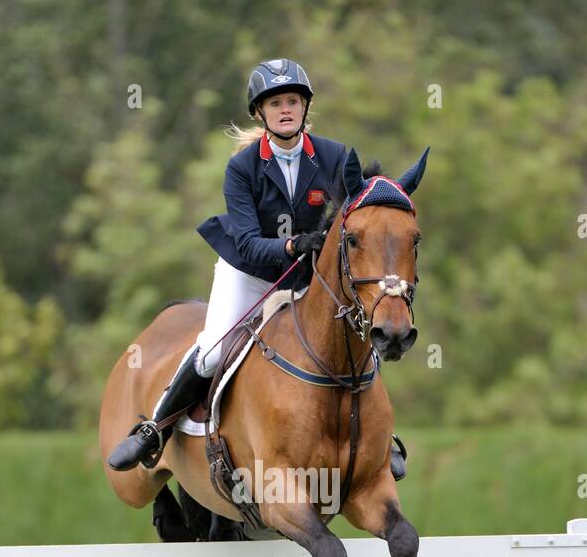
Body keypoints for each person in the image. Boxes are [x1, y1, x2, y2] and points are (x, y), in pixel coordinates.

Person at [108, 58, 406, 479]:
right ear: (260, 114)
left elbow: (361, 209)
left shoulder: (336, 157)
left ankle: (381, 439)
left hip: (309, 278)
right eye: (275, 103)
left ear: (305, 108)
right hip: (247, 271)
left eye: (292, 101)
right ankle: (155, 428)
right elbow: (247, 242)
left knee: (359, 338)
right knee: (212, 350)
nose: (285, 109)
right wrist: (292, 243)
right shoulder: (243, 167)